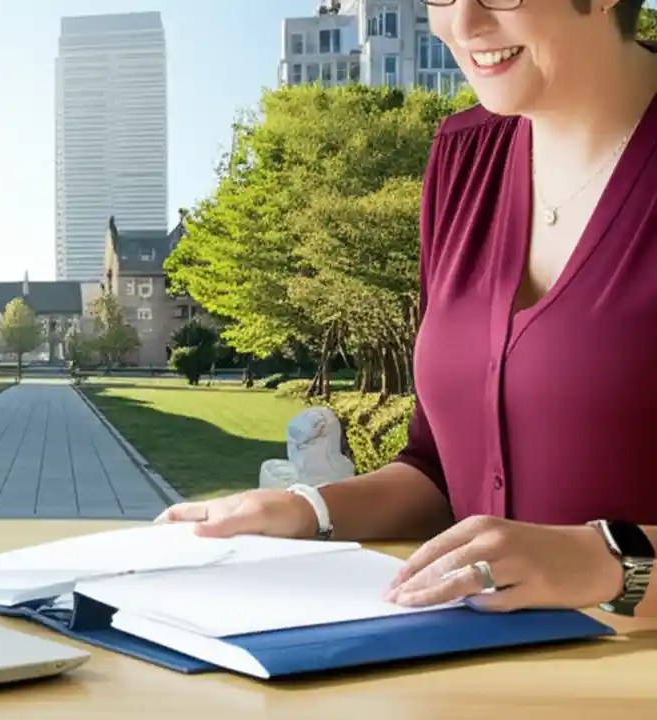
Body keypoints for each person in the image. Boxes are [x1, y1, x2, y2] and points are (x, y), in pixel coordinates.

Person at [157, 0, 657, 618]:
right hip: (474, 662)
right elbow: (439, 470)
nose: (463, 23)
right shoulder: (462, 159)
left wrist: (609, 562)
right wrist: (307, 510)